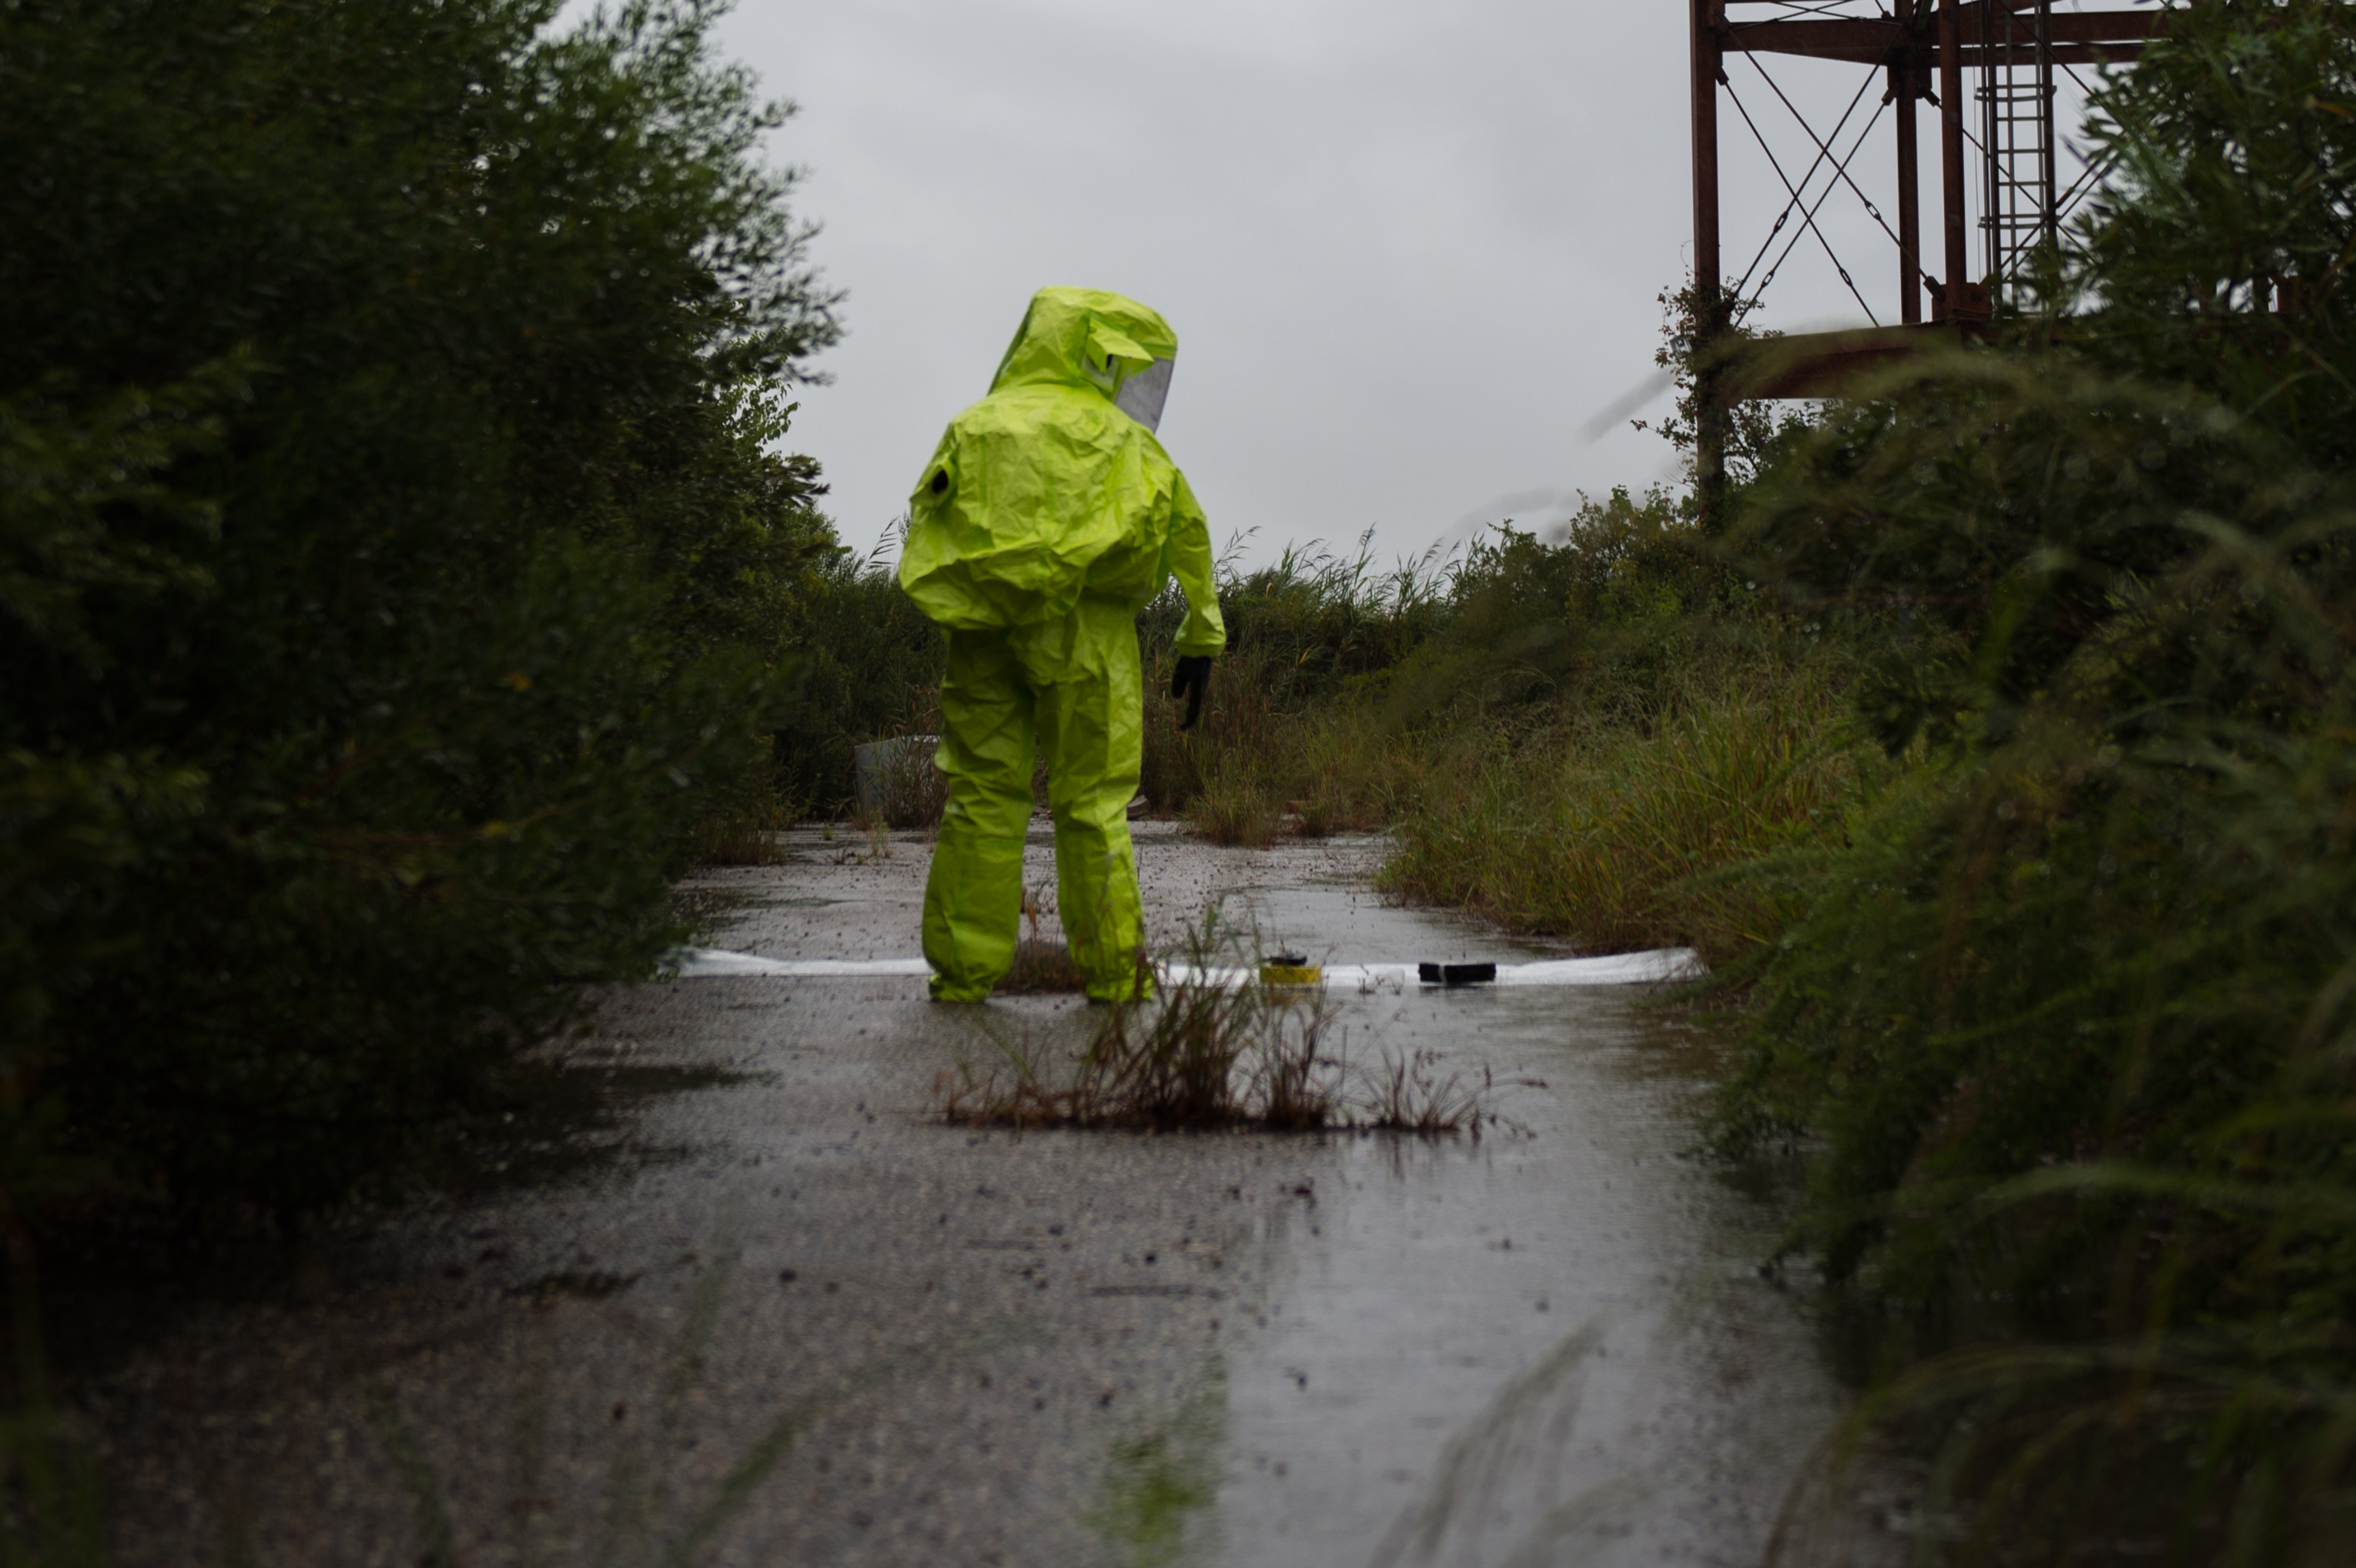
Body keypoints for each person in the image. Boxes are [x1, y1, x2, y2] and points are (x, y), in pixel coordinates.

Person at [899, 286, 1224, 1002]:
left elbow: (928, 527)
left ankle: (961, 976)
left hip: (984, 632)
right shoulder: (1129, 442)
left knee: (982, 797)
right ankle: (1112, 976)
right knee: (1093, 805)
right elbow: (1188, 532)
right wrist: (1200, 634)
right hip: (1090, 638)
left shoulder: (975, 426)